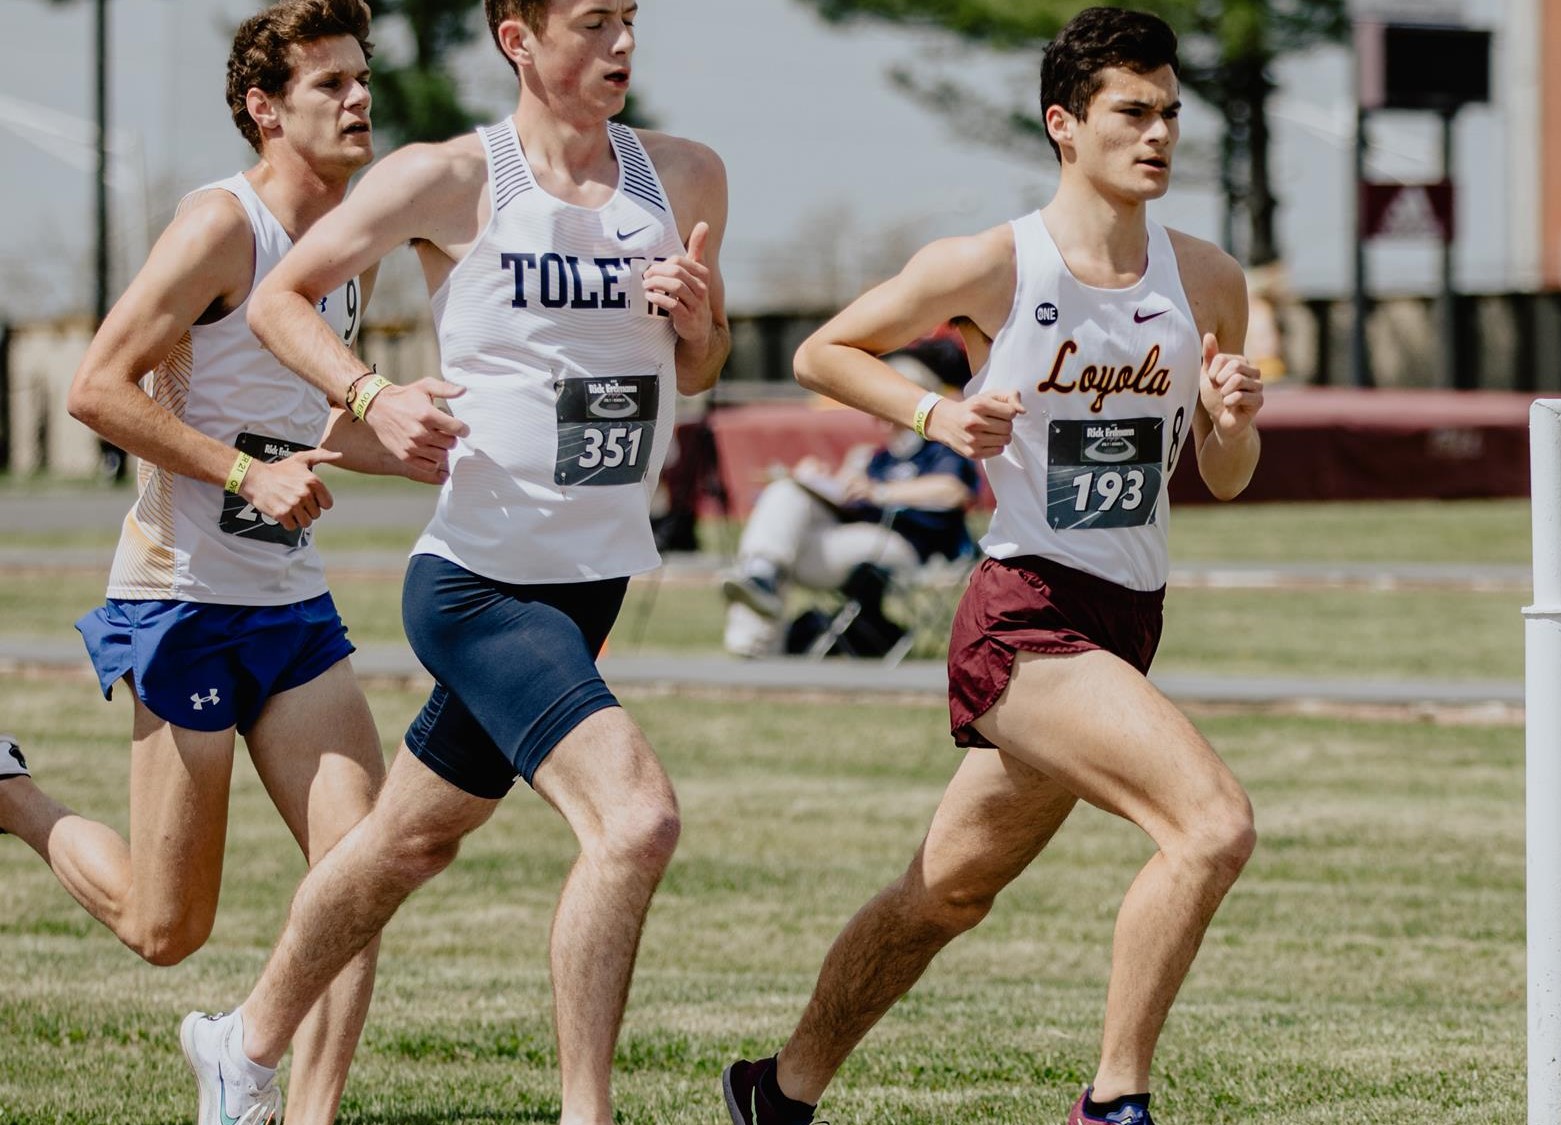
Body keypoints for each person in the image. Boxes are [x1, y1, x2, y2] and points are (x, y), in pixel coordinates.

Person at [180, 1, 730, 1122]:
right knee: (634, 821)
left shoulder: (685, 176)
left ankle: (243, 1044)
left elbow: (703, 370)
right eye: (591, 21)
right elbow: (282, 298)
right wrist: (369, 392)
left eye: (630, 18)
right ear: (518, 38)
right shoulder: (450, 178)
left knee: (405, 842)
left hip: (592, 578)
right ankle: (589, 1113)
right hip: (477, 583)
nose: (622, 43)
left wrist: (704, 323)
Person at [722, 9, 1263, 1125]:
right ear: (1065, 125)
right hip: (1024, 619)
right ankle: (1112, 1103)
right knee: (1210, 826)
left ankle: (776, 1092)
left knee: (947, 894)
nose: (1158, 132)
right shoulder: (991, 263)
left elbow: (1227, 473)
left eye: (1170, 111)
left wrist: (1231, 417)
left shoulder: (1207, 279)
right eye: (1132, 111)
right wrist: (939, 410)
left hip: (1126, 621)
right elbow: (821, 350)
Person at [0, 4, 437, 1124]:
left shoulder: (353, 243)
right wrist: (247, 481)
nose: (358, 100)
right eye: (329, 83)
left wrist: (433, 453)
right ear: (264, 107)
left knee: (359, 874)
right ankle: (17, 799)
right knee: (165, 929)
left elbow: (307, 432)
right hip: (181, 600)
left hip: (289, 607)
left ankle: (298, 1111)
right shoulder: (219, 226)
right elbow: (94, 388)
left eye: (361, 78)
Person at [720, 348, 979, 658]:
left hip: (904, 548)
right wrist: (820, 481)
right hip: (850, 541)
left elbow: (953, 491)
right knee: (785, 494)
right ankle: (757, 602)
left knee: (781, 547)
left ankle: (759, 611)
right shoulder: (873, 457)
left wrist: (879, 492)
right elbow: (847, 500)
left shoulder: (938, 451)